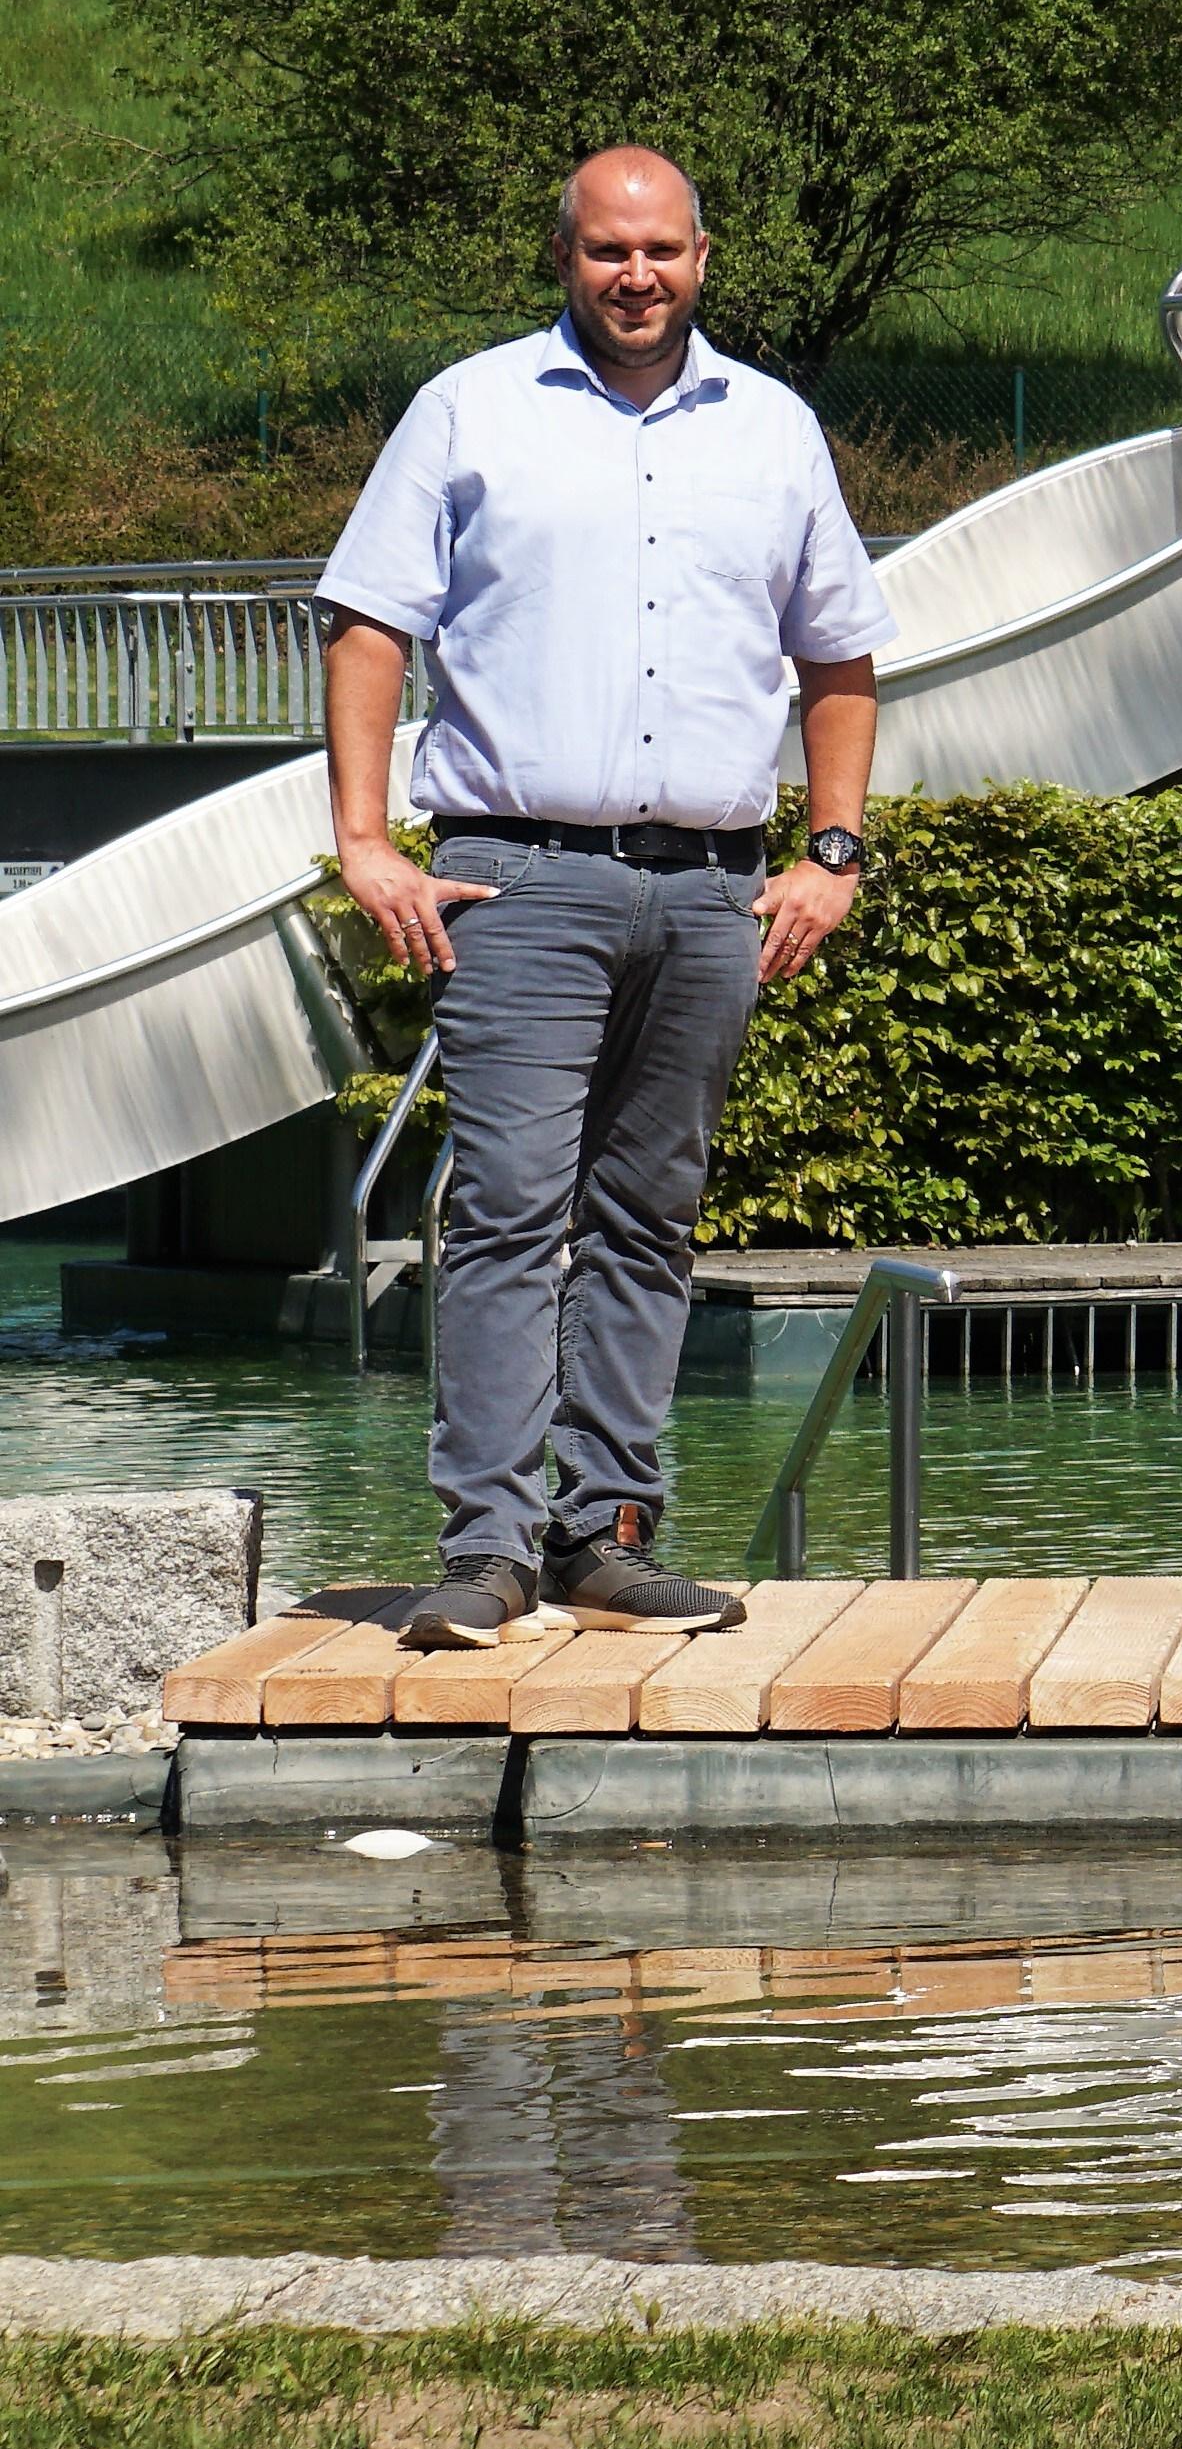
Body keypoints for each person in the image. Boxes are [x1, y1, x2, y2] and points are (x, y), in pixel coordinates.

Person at [320, 147, 890, 1649]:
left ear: (704, 256)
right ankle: (488, 1547)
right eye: (606, 251)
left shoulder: (774, 429)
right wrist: (364, 838)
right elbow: (370, 622)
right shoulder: (471, 407)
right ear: (564, 257)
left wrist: (832, 852)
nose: (635, 276)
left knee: (649, 1214)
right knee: (508, 1209)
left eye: (662, 250)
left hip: (711, 887)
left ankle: (610, 1530)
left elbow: (839, 656)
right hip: (521, 875)